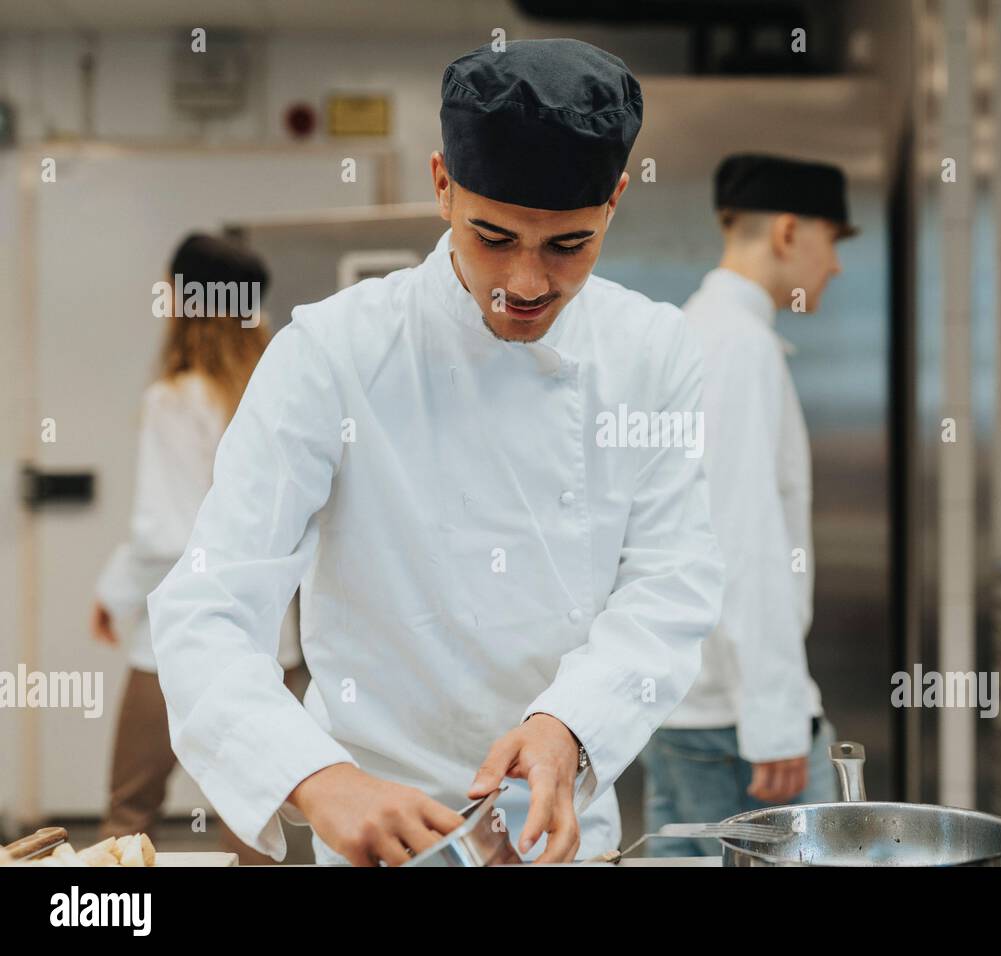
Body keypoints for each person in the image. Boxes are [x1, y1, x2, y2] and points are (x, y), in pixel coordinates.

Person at [147, 38, 724, 866]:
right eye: (494, 236)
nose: (525, 283)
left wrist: (567, 725)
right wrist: (317, 777)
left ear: (616, 204)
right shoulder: (334, 353)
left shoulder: (653, 351)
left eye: (568, 246)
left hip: (561, 836)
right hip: (376, 833)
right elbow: (205, 608)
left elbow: (671, 583)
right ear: (442, 185)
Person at [641, 153, 855, 856]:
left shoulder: (694, 333)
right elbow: (743, 538)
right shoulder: (739, 348)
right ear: (789, 232)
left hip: (691, 707)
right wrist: (774, 720)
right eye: (834, 240)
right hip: (735, 723)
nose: (837, 266)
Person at [92, 233, 302, 861]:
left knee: (128, 817)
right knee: (254, 819)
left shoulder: (174, 399)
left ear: (189, 299)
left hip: (176, 643)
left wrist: (112, 592)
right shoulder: (279, 393)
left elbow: (165, 534)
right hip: (270, 641)